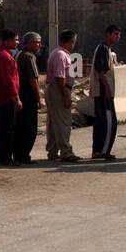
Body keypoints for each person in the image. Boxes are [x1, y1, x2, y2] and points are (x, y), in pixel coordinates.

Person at [46, 30, 81, 162]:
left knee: (53, 122)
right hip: (59, 89)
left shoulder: (57, 53)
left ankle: (53, 151)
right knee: (63, 122)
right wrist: (65, 95)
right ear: (70, 41)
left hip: (55, 88)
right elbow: (60, 77)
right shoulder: (61, 55)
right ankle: (66, 151)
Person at [0, 30, 20, 166]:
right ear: (8, 40)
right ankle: (5, 157)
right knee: (8, 128)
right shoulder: (5, 56)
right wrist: (16, 98)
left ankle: (0, 155)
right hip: (5, 97)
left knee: (2, 127)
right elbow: (9, 80)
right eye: (16, 39)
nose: (17, 42)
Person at [90, 25, 121, 161]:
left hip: (103, 92)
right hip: (103, 93)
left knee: (101, 122)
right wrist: (108, 90)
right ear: (108, 34)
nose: (117, 37)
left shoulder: (106, 49)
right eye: (115, 34)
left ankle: (98, 150)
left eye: (119, 35)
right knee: (109, 123)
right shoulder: (103, 49)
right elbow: (101, 72)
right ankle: (103, 151)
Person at [14, 31, 42, 164]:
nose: (39, 45)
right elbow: (33, 80)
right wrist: (39, 98)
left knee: (21, 126)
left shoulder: (20, 55)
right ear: (29, 42)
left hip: (21, 96)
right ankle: (23, 155)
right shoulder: (29, 57)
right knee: (29, 127)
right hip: (28, 97)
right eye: (37, 42)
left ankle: (19, 153)